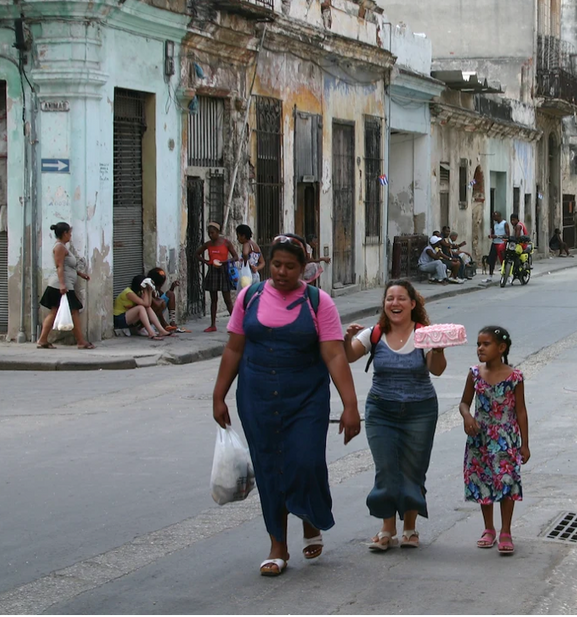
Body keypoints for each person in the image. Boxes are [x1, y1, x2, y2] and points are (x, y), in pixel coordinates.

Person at [212, 233, 361, 576]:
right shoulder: (250, 296)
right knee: (269, 469)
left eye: (290, 266)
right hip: (257, 397)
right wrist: (218, 395)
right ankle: (277, 545)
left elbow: (335, 354)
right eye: (276, 264)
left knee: (304, 462)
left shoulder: (318, 302)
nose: (281, 272)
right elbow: (234, 348)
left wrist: (350, 405)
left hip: (305, 398)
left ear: (303, 268)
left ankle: (310, 517)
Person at [343, 281, 447, 551]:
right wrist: (346, 338)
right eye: (390, 299)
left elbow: (437, 370)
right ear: (384, 305)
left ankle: (410, 528)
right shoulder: (375, 333)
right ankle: (387, 528)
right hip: (381, 411)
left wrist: (438, 349)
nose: (395, 303)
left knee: (413, 469)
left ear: (413, 304)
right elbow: (348, 356)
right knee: (386, 468)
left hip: (420, 410)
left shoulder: (425, 334)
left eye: (401, 298)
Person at [459, 326, 530, 555]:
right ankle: (488, 528)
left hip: (506, 439)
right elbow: (463, 403)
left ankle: (506, 530)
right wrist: (467, 416)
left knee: (506, 482)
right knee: (483, 481)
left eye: (485, 344)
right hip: (479, 438)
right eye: (478, 344)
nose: (480, 349)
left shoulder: (515, 377)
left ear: (501, 348)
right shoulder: (474, 374)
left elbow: (521, 411)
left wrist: (525, 444)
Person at [36, 222, 94, 349]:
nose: (71, 236)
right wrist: (62, 285)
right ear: (64, 233)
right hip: (61, 286)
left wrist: (80, 274)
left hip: (64, 285)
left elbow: (68, 266)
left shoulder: (63, 247)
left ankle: (43, 340)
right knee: (73, 312)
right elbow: (59, 266)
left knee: (55, 311)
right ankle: (80, 341)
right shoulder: (59, 247)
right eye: (69, 233)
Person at [195, 221, 238, 333]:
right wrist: (206, 261)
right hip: (213, 271)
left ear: (218, 232)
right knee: (214, 299)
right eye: (209, 233)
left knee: (227, 299)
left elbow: (236, 257)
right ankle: (213, 324)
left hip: (224, 271)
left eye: (212, 233)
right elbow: (197, 253)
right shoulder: (208, 244)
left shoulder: (226, 243)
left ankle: (235, 324)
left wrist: (225, 262)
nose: (210, 235)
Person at [114, 274, 176, 340]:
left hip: (128, 318)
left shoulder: (138, 293)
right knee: (141, 308)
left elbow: (148, 305)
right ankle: (151, 333)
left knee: (147, 308)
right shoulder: (129, 293)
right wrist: (146, 290)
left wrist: (149, 290)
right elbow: (146, 303)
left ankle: (161, 330)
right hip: (119, 318)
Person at [145, 267, 183, 332]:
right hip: (150, 312)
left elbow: (167, 297)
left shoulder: (158, 290)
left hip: (156, 309)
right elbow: (156, 303)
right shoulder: (149, 288)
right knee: (160, 303)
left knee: (170, 294)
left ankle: (172, 321)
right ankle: (163, 324)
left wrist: (172, 288)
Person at [487, 211, 510, 279]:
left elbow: (507, 235)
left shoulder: (504, 223)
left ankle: (506, 275)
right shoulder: (495, 224)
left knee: (503, 259)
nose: (493, 218)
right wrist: (491, 236)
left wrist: (497, 236)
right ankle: (490, 275)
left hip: (501, 243)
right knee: (491, 259)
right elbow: (494, 234)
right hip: (494, 243)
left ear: (499, 216)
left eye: (494, 216)